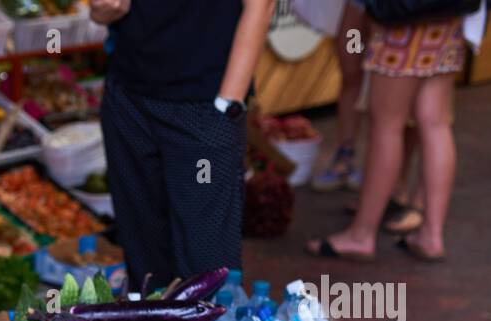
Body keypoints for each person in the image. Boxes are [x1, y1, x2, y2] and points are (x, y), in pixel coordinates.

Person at [91, 0, 274, 290]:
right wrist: (102, 8)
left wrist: (228, 104)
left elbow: (261, 5)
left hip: (203, 107)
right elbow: (101, 11)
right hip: (127, 96)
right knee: (144, 260)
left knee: (206, 267)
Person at [307, 16, 468, 262]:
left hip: (402, 25)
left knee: (386, 126)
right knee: (435, 124)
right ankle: (432, 235)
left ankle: (361, 234)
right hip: (448, 17)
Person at [309, 1, 370, 192]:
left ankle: (379, 174)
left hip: (393, 17)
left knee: (384, 91)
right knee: (351, 72)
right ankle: (345, 155)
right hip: (360, 9)